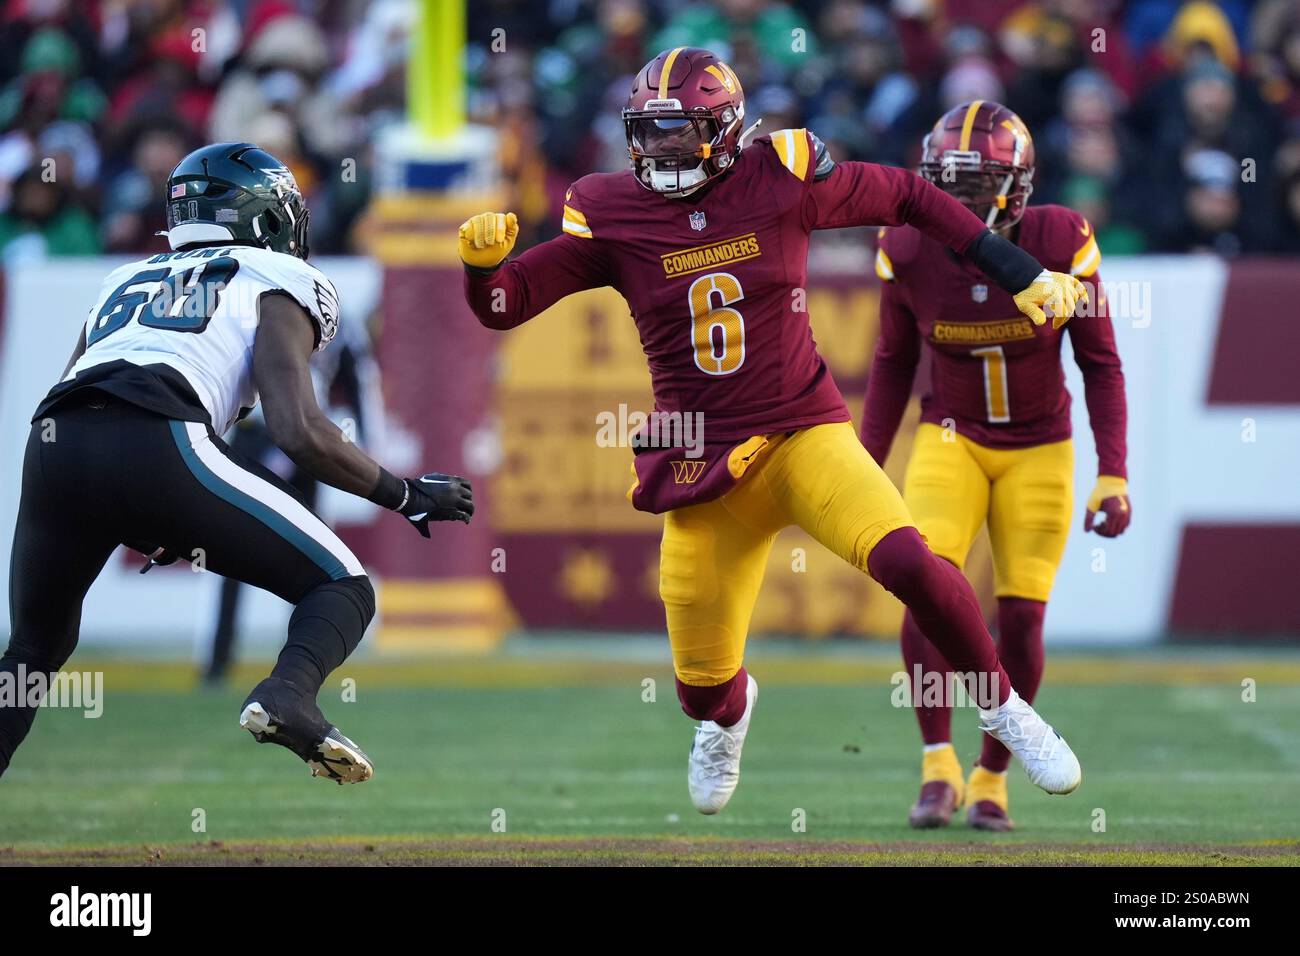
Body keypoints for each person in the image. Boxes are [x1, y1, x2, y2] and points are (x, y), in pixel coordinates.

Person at [459, 48, 1087, 814]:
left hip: (802, 433)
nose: (660, 148)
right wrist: (481, 272)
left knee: (910, 561)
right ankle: (728, 718)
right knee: (699, 689)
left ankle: (1005, 710)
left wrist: (1017, 270)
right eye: (648, 132)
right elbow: (509, 305)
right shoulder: (612, 211)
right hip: (701, 462)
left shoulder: (781, 176)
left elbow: (910, 197)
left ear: (725, 130)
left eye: (678, 131)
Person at [0, 143, 474, 784]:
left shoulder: (124, 279)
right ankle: (287, 696)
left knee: (31, 652)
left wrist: (142, 507)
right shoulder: (276, 275)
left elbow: (76, 390)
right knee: (343, 586)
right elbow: (299, 430)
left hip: (54, 446)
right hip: (159, 431)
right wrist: (406, 496)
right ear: (267, 215)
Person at [863, 101, 1130, 830]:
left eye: (975, 185)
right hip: (950, 437)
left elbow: (1101, 363)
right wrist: (862, 462)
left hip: (1039, 445)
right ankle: (937, 766)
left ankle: (992, 776)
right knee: (925, 588)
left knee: (1021, 616)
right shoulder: (908, 248)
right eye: (945, 182)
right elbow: (892, 361)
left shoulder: (1060, 238)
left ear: (1016, 188)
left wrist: (1113, 470)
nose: (955, 200)